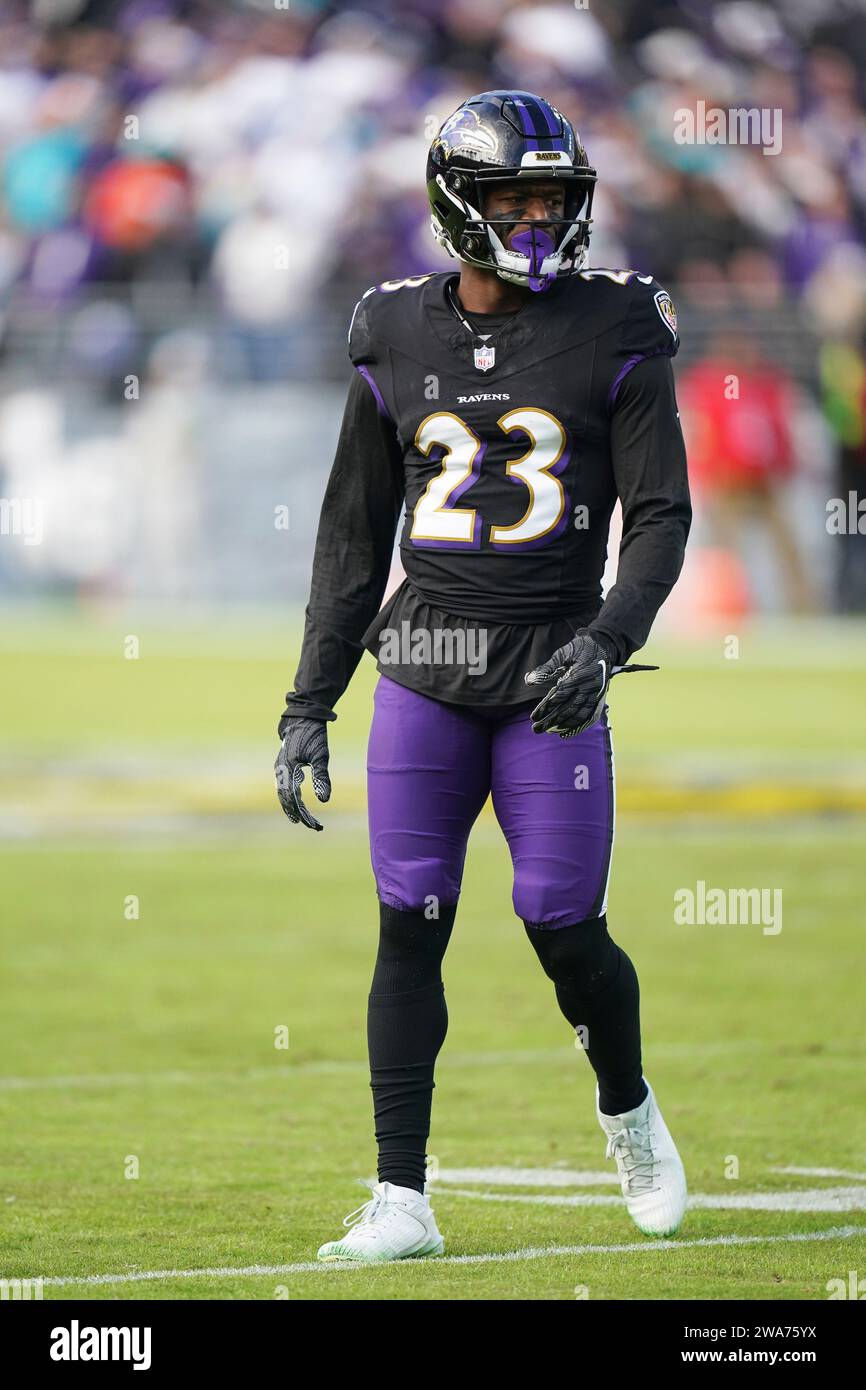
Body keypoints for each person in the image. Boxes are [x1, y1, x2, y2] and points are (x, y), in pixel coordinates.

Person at [275, 90, 692, 1263]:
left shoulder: (619, 324)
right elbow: (351, 533)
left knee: (561, 923)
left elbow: (659, 515)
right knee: (408, 920)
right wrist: (310, 700)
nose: (534, 216)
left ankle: (627, 1109)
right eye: (512, 196)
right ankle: (399, 1194)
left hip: (553, 665)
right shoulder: (391, 327)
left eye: (551, 198)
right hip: (427, 660)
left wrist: (605, 642)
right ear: (458, 202)